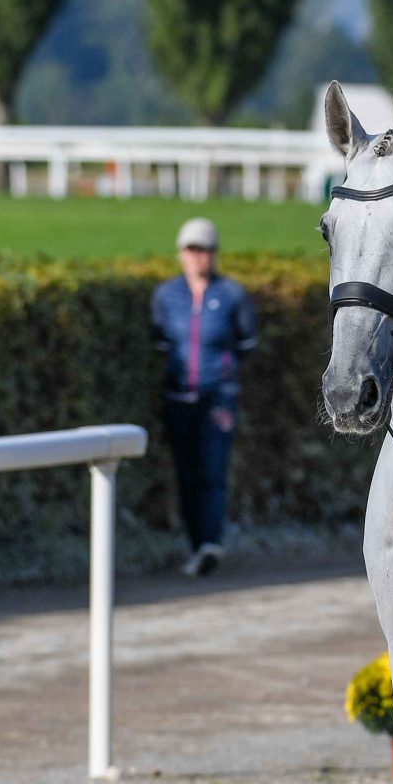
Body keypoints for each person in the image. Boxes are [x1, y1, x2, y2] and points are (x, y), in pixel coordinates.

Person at [151, 217, 258, 577]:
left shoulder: (231, 295)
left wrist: (223, 374)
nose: (199, 257)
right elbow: (160, 342)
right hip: (179, 399)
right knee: (187, 474)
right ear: (181, 254)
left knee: (213, 470)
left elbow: (246, 342)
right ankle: (196, 545)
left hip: (217, 399)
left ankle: (211, 542)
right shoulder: (166, 296)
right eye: (192, 250)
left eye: (205, 250)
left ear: (214, 254)